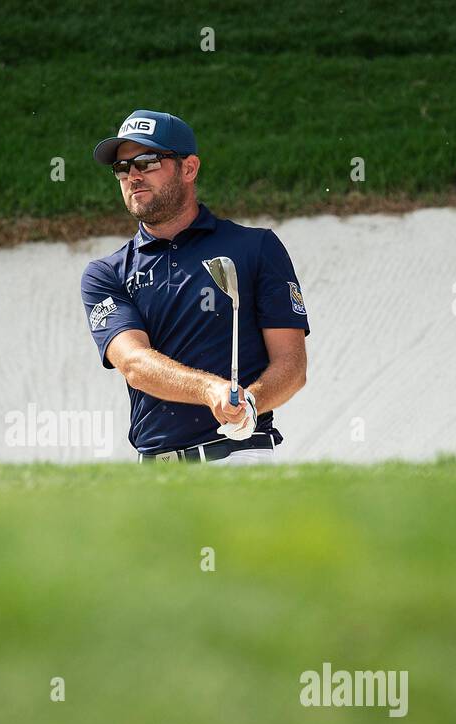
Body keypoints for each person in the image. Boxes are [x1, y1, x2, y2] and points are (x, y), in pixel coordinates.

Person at [80, 109, 310, 463]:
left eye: (147, 161)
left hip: (240, 458)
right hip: (156, 474)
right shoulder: (106, 274)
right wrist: (209, 389)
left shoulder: (256, 248)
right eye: (122, 168)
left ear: (189, 168)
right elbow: (135, 365)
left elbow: (292, 365)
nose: (133, 176)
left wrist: (250, 402)